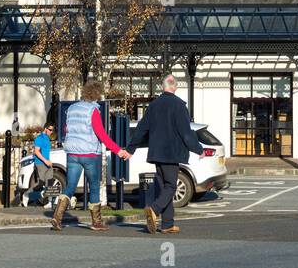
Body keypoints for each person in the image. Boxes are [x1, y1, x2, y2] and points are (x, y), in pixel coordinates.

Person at [126, 75, 214, 234]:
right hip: (171, 153)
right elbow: (186, 133)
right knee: (171, 186)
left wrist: (130, 149)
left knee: (164, 186)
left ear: (163, 86)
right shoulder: (179, 106)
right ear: (175, 86)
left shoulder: (153, 105)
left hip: (156, 153)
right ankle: (154, 209)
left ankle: (167, 224)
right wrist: (198, 149)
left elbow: (141, 129)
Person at [51, 81, 130, 232]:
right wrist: (118, 150)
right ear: (96, 95)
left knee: (70, 186)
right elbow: (101, 134)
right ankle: (97, 222)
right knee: (94, 186)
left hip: (72, 153)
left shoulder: (72, 109)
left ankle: (57, 216)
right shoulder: (93, 110)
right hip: (89, 153)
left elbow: (67, 129)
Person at [30, 122, 55, 204]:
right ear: (45, 129)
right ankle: (27, 194)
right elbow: (36, 152)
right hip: (40, 163)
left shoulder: (47, 138)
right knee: (40, 183)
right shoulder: (39, 138)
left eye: (52, 130)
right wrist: (45, 161)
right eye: (50, 130)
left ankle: (49, 202)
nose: (51, 132)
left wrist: (48, 161)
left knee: (50, 182)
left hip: (47, 163)